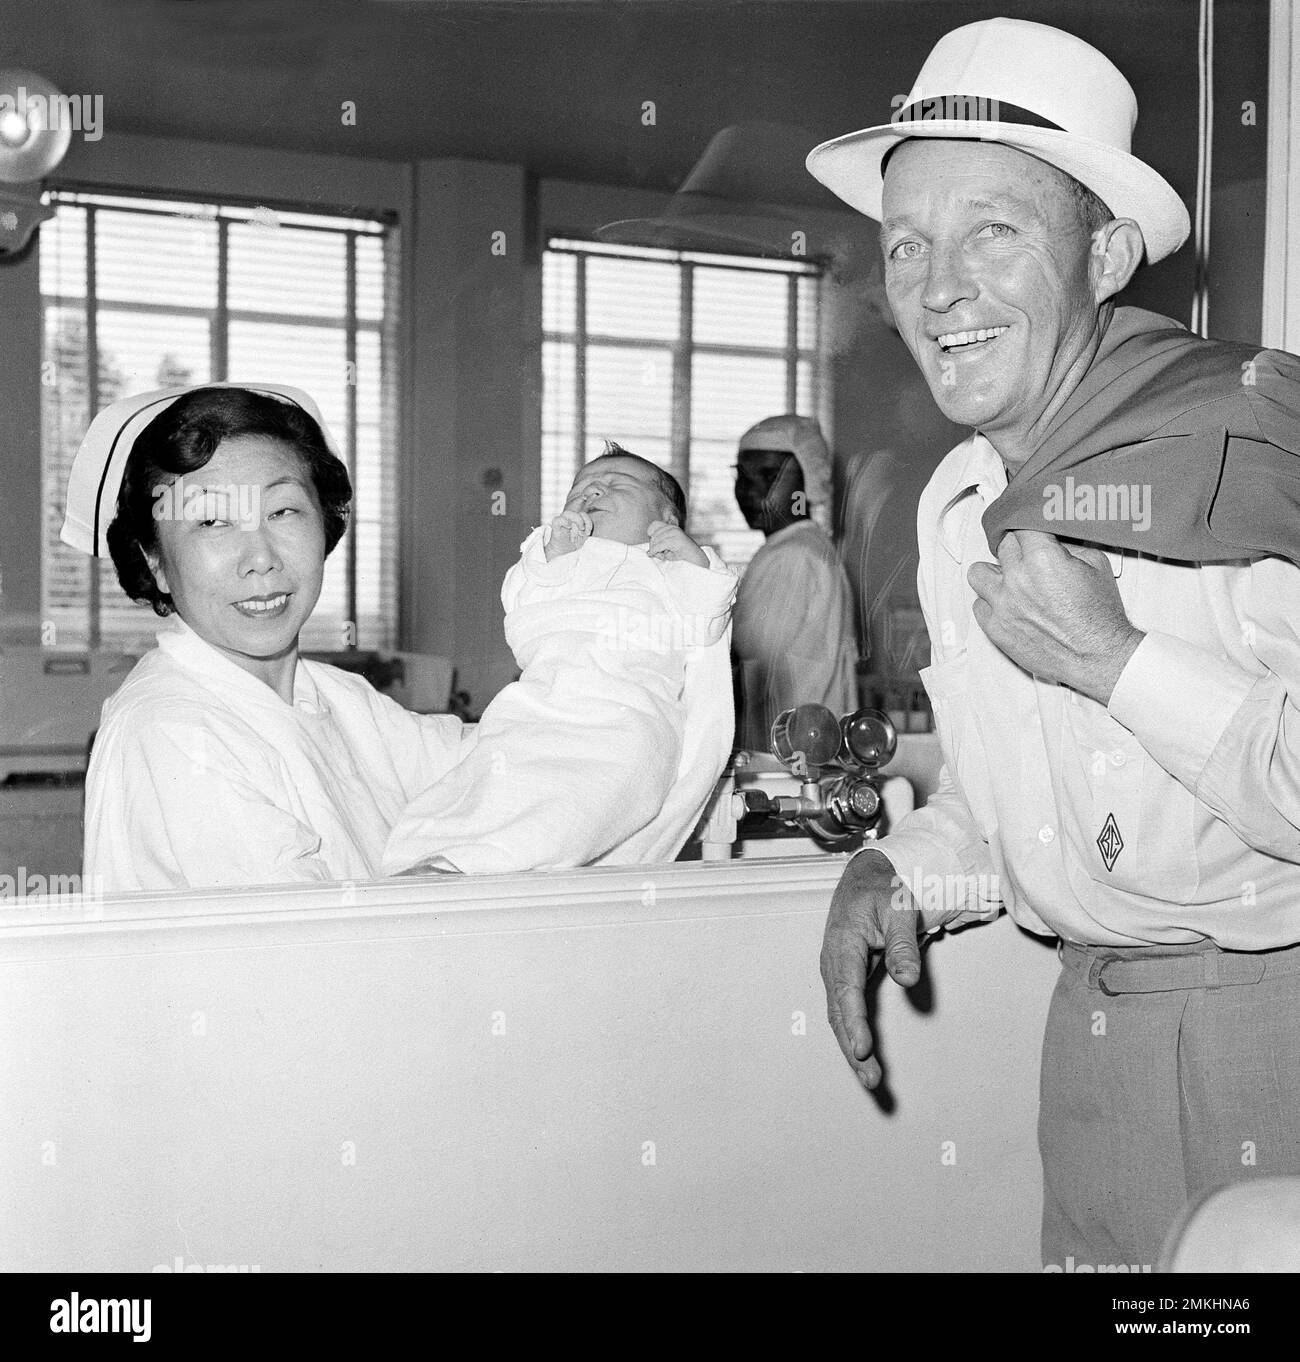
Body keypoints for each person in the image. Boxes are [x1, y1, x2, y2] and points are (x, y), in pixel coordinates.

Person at [807, 16, 1300, 1268]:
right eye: (907, 242)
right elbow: (1013, 791)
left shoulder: (1246, 454)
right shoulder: (959, 502)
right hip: (1087, 1035)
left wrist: (1117, 661)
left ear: (1107, 254)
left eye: (993, 230)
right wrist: (905, 867)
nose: (935, 285)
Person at [63, 383, 471, 892]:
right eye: (211, 520)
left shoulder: (342, 699)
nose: (261, 556)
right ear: (156, 563)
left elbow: (511, 767)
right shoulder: (173, 729)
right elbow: (313, 950)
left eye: (282, 511)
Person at [383, 444, 737, 874]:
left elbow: (707, 620)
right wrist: (554, 557)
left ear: (665, 519)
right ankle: (430, 851)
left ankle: (484, 861)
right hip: (542, 705)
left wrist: (690, 558)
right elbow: (522, 614)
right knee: (488, 777)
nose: (594, 492)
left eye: (617, 485)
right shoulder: (555, 554)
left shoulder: (668, 569)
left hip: (626, 717)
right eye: (581, 488)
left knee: (587, 795)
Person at [730, 415, 857, 752]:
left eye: (769, 476)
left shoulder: (794, 556)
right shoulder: (793, 548)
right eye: (742, 476)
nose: (749, 490)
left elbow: (750, 662)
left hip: (788, 750)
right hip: (799, 744)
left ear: (808, 483)